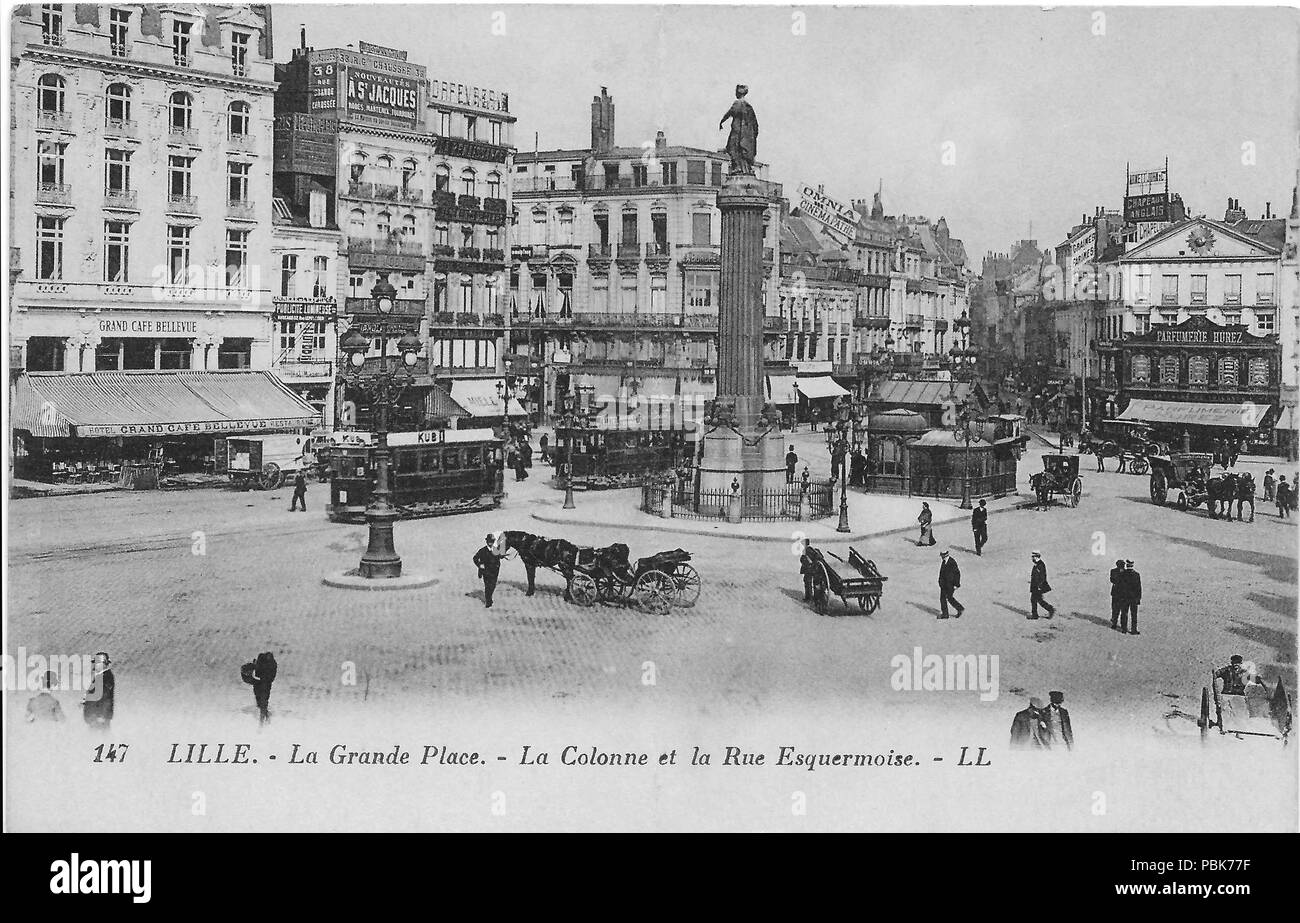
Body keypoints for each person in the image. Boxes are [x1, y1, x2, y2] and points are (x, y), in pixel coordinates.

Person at [82, 652, 115, 732]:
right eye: (95, 662)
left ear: (104, 664)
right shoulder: (102, 676)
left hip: (99, 718)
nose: (95, 665)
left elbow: (106, 697)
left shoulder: (106, 677)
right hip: (97, 717)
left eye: (97, 663)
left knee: (98, 740)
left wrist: (102, 715)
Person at [473, 533, 501, 609]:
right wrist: (480, 565)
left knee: (493, 586)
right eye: (489, 541)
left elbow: (498, 558)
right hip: (486, 572)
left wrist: (498, 564)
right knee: (488, 586)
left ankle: (489, 597)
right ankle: (488, 602)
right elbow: (475, 558)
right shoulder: (482, 551)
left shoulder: (496, 550)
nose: (490, 543)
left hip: (495, 572)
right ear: (486, 541)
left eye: (492, 541)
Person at [250, 651, 277, 725]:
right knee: (261, 703)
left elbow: (258, 671)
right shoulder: (271, 664)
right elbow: (272, 675)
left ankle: (262, 721)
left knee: (262, 702)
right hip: (262, 683)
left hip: (262, 683)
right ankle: (266, 716)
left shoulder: (270, 664)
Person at [1029, 551, 1055, 619]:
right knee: (1037, 600)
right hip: (1036, 586)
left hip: (1038, 586)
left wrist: (1039, 586)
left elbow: (1042, 577)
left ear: (1037, 556)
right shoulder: (1037, 564)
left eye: (1033, 557)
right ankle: (1049, 609)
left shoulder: (1040, 565)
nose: (1032, 558)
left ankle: (1036, 614)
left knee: (1035, 600)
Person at [938, 550, 963, 619]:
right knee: (947, 598)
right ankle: (959, 609)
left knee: (946, 598)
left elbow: (957, 574)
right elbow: (942, 573)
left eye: (942, 556)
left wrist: (956, 584)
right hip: (944, 584)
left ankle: (946, 614)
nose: (942, 558)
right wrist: (940, 582)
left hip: (950, 584)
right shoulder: (944, 561)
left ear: (945, 555)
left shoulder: (952, 562)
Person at [1123, 559, 1142, 635]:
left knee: (1124, 613)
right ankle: (1133, 630)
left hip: (1124, 597)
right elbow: (1138, 588)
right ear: (1132, 565)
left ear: (1126, 565)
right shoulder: (1136, 574)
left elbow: (1120, 587)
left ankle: (1124, 629)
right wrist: (1138, 598)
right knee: (1134, 615)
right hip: (1133, 598)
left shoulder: (1123, 574)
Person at [1109, 558, 1128, 632]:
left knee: (1117, 610)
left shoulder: (1114, 571)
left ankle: (1117, 625)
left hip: (1118, 594)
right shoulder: (1114, 571)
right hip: (1121, 594)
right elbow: (1112, 580)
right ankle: (1120, 626)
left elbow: (1113, 580)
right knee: (1119, 610)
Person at [799, 539, 820, 603]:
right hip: (811, 569)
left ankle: (809, 598)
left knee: (808, 583)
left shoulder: (806, 550)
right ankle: (812, 597)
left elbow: (803, 559)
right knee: (810, 583)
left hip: (809, 570)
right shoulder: (811, 549)